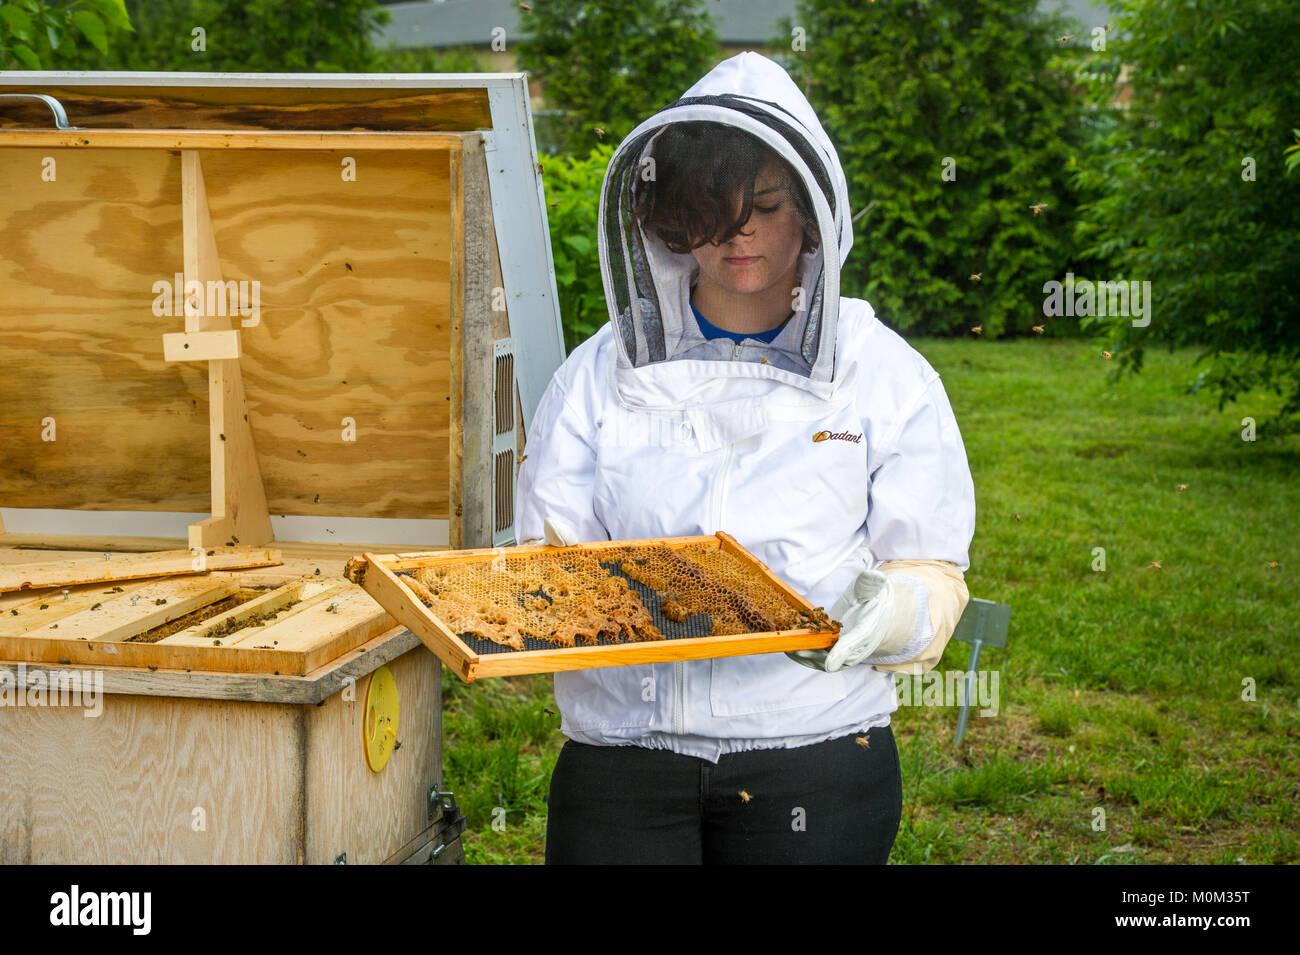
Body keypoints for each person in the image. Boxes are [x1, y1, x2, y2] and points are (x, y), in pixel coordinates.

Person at [516, 51, 976, 864]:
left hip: (814, 751)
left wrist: (891, 611)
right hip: (624, 754)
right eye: (713, 210)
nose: (741, 234)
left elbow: (934, 568)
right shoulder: (598, 373)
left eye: (764, 206)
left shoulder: (886, 372)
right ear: (671, 221)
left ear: (811, 212)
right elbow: (544, 555)